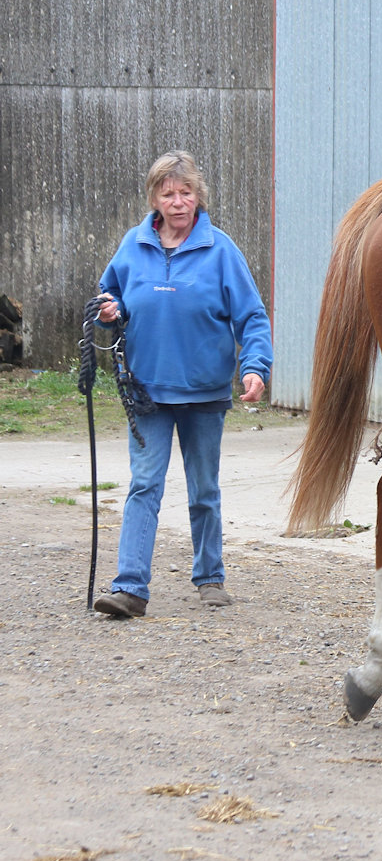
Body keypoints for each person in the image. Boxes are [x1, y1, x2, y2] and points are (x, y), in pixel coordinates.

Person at [91, 150, 272, 618]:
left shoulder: (220, 250)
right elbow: (109, 296)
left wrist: (254, 366)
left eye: (185, 192)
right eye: (168, 193)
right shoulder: (134, 245)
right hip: (147, 391)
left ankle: (210, 577)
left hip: (205, 393)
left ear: (198, 196)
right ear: (154, 197)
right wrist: (110, 310)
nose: (177, 201)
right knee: (143, 485)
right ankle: (130, 587)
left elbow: (251, 315)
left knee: (203, 489)